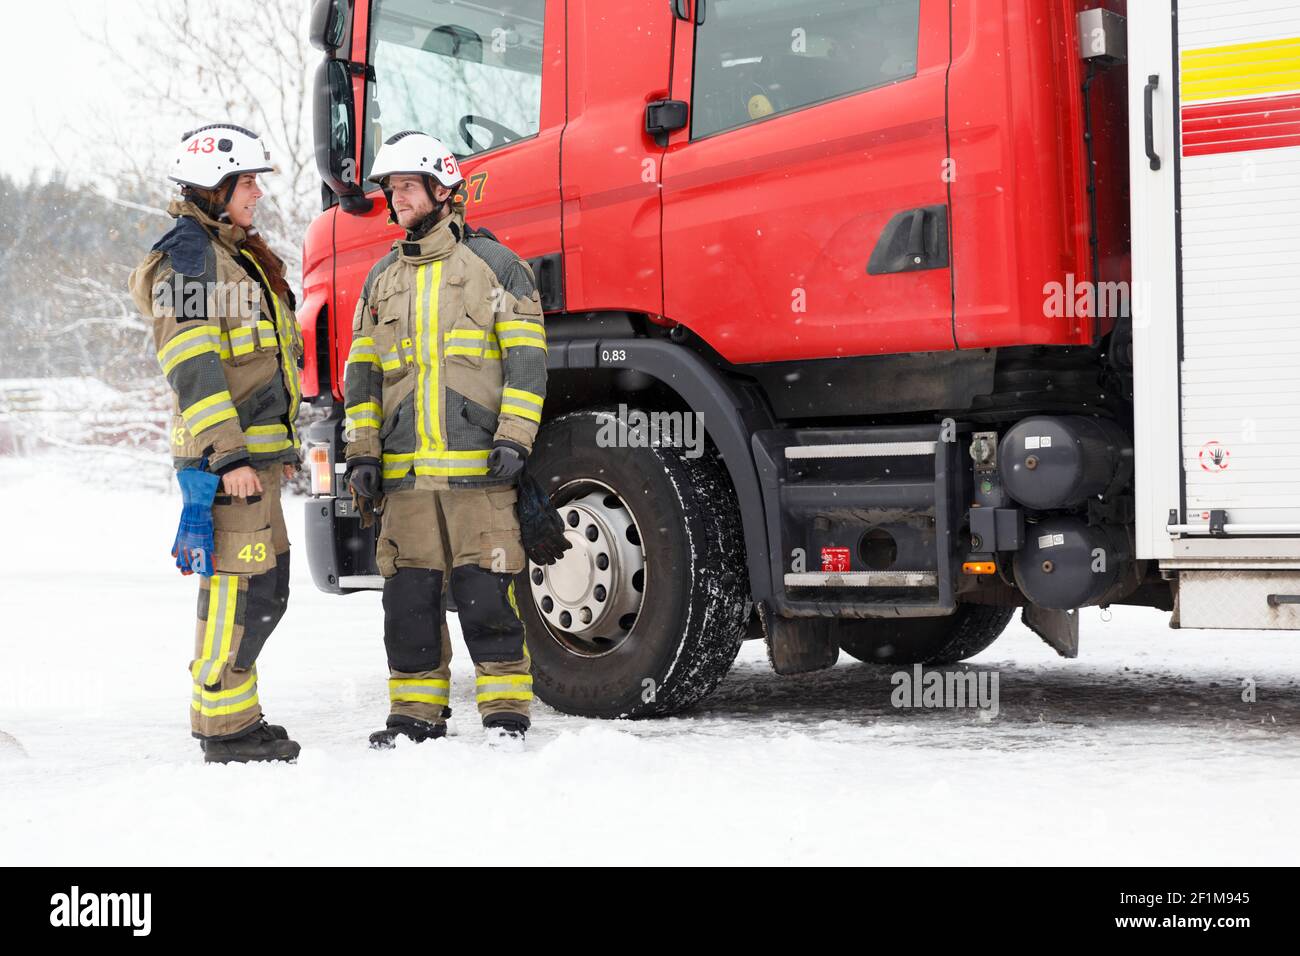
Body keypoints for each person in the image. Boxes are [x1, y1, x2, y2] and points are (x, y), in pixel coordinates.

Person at [343, 130, 547, 751]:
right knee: (407, 604)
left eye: (406, 187)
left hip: (479, 478)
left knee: (489, 596)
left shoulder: (496, 268)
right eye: (391, 190)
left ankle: (506, 711)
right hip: (406, 483)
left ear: (442, 189)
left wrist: (514, 439)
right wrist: (362, 454)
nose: (396, 199)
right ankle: (414, 716)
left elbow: (528, 362)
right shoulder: (381, 280)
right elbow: (363, 376)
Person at [128, 123, 304, 763]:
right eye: (249, 181)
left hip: (252, 462)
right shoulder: (190, 257)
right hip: (226, 462)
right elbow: (193, 365)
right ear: (216, 185)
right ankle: (227, 730)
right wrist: (229, 456)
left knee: (263, 587)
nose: (258, 193)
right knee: (240, 592)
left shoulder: (234, 253)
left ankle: (230, 716)